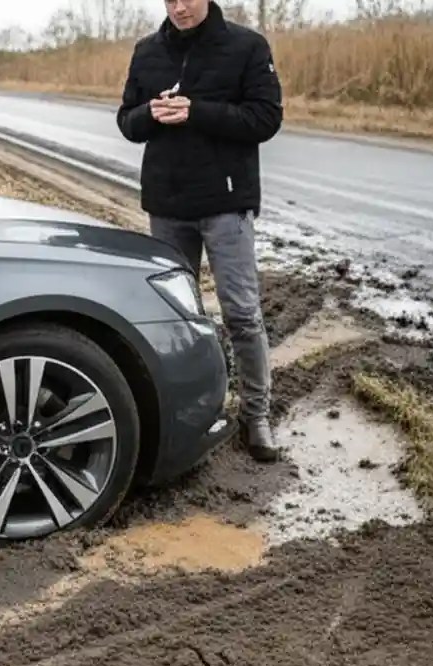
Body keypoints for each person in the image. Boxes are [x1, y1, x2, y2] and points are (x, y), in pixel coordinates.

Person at [116, 0, 283, 462]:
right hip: (167, 205)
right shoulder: (147, 51)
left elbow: (266, 119)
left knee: (242, 314)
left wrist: (198, 112)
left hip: (226, 205)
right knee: (172, 317)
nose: (180, 7)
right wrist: (150, 114)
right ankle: (184, 415)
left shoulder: (247, 46)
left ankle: (256, 415)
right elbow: (127, 121)